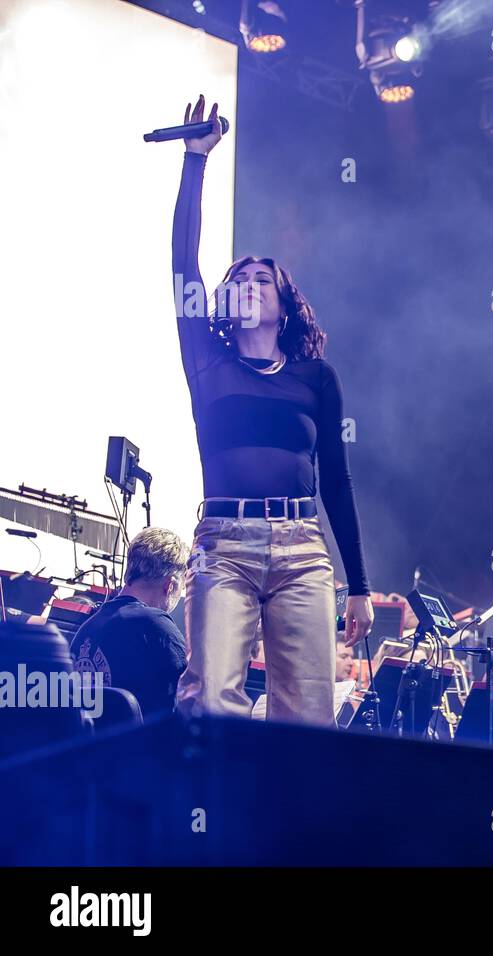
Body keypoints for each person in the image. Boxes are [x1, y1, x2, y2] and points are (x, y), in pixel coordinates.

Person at [168, 94, 372, 726]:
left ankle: (289, 823)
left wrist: (359, 584)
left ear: (285, 303)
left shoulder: (316, 377)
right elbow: (182, 263)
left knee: (308, 712)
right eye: (241, 278)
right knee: (213, 700)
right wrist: (195, 162)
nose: (250, 284)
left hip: (302, 549)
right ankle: (209, 820)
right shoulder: (208, 360)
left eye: (263, 278)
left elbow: (335, 478)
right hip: (223, 545)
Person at [70, 528, 189, 718]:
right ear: (170, 585)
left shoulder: (87, 627)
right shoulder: (157, 626)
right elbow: (193, 693)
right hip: (141, 746)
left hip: (91, 746)